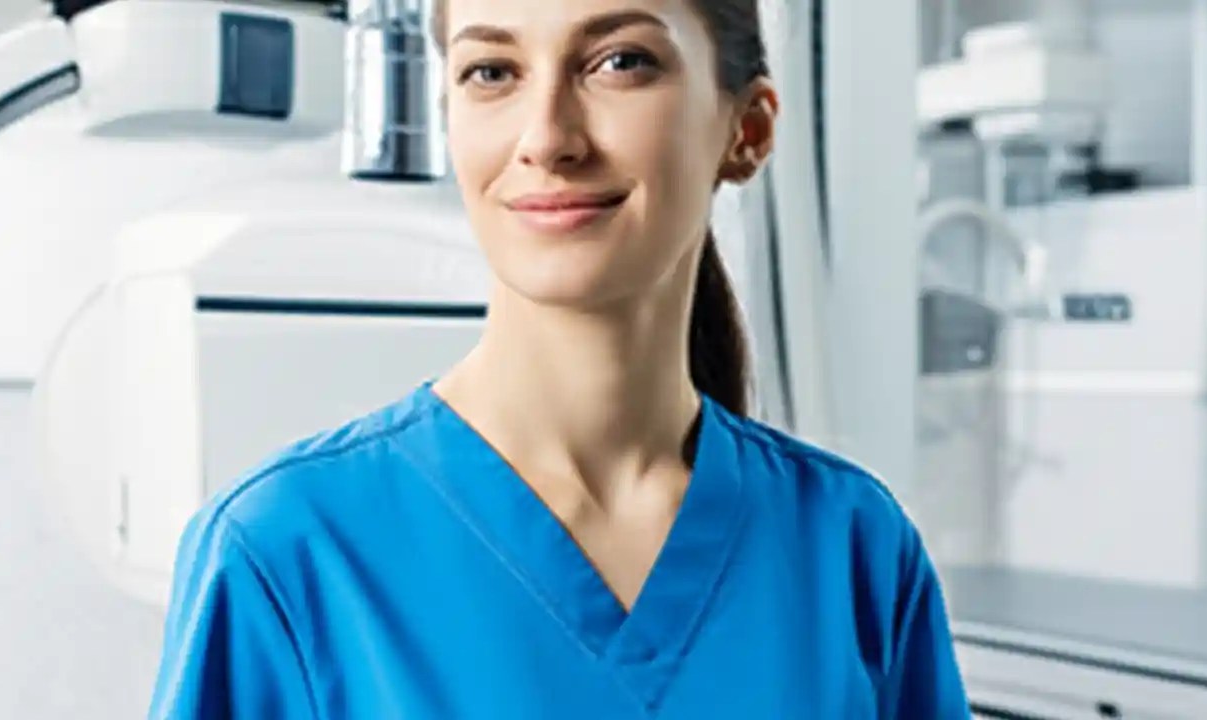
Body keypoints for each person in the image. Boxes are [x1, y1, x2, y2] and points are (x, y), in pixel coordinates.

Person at [147, 0, 971, 717]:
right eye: (492, 72)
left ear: (746, 130)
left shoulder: (852, 548)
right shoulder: (287, 553)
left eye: (620, 62)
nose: (547, 138)